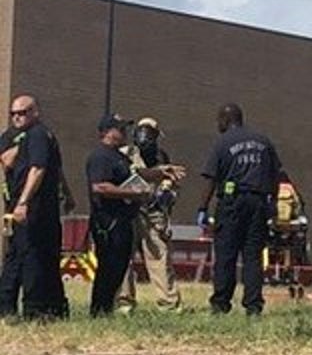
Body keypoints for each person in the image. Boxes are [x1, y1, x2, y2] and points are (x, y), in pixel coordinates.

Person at [85, 113, 183, 317]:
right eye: (120, 128)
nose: (126, 132)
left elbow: (136, 173)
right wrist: (135, 193)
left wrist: (162, 172)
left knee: (154, 258)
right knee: (115, 266)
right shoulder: (104, 156)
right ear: (106, 132)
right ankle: (117, 305)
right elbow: (100, 186)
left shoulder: (126, 156)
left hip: (148, 213)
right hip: (112, 220)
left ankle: (168, 304)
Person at [198, 103, 282, 316]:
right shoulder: (263, 142)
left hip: (232, 203)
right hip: (258, 203)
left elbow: (210, 178)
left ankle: (220, 304)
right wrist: (272, 203)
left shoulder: (222, 143)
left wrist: (202, 208)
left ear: (226, 120)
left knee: (226, 255)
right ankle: (253, 306)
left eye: (219, 120)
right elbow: (276, 175)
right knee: (252, 256)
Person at [0, 95, 70, 320]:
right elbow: (8, 161)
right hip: (22, 206)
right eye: (14, 114)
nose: (17, 117)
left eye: (23, 112)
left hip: (37, 207)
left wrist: (24, 202)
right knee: (21, 257)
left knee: (37, 257)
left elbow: (42, 168)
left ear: (35, 112)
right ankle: (19, 309)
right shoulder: (13, 136)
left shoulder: (40, 135)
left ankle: (42, 308)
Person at [116, 117, 185, 312]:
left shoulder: (162, 156)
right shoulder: (125, 154)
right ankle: (124, 303)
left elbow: (171, 184)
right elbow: (128, 175)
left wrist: (167, 193)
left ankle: (169, 304)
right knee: (123, 259)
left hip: (154, 213)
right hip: (129, 211)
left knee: (159, 258)